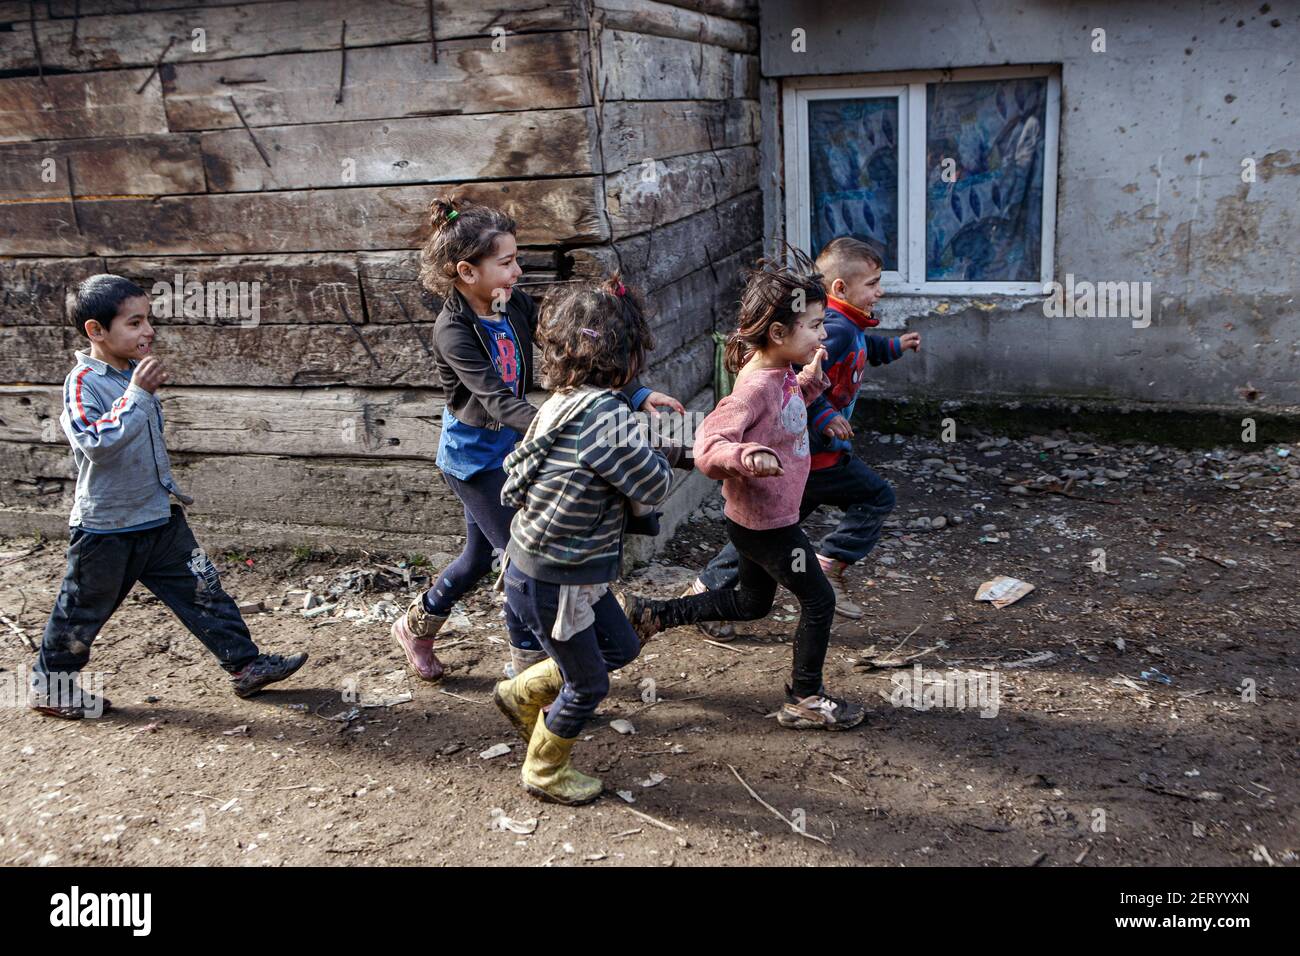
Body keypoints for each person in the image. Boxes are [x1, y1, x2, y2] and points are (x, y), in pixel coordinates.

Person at [30, 275, 307, 719]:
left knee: (205, 590)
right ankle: (51, 687)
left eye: (149, 321)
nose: (148, 331)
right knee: (80, 611)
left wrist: (137, 392)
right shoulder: (84, 382)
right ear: (96, 331)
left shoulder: (128, 375)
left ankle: (245, 665)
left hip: (159, 516)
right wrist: (138, 396)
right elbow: (96, 443)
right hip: (108, 528)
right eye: (135, 322)